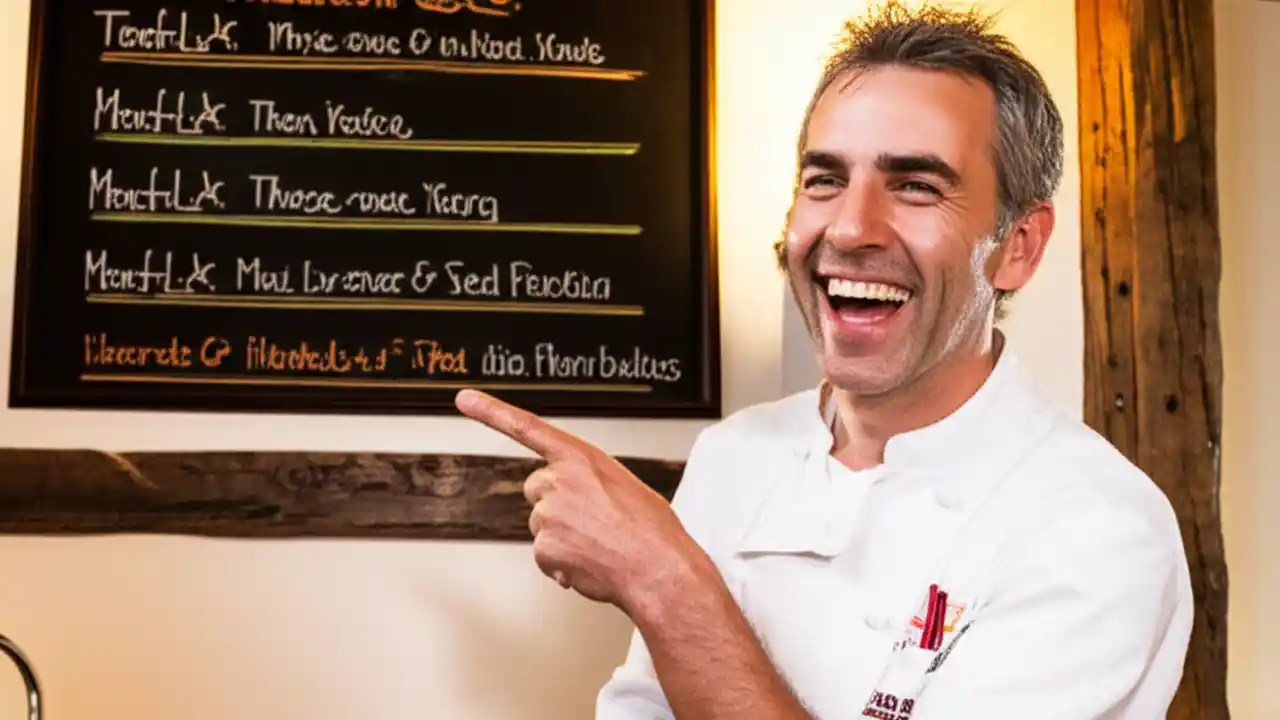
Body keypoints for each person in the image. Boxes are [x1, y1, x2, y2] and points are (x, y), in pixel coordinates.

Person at [455, 2, 1194, 718]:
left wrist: (663, 580)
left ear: (1018, 246)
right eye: (825, 179)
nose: (851, 225)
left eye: (915, 185)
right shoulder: (733, 455)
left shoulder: (1098, 529)